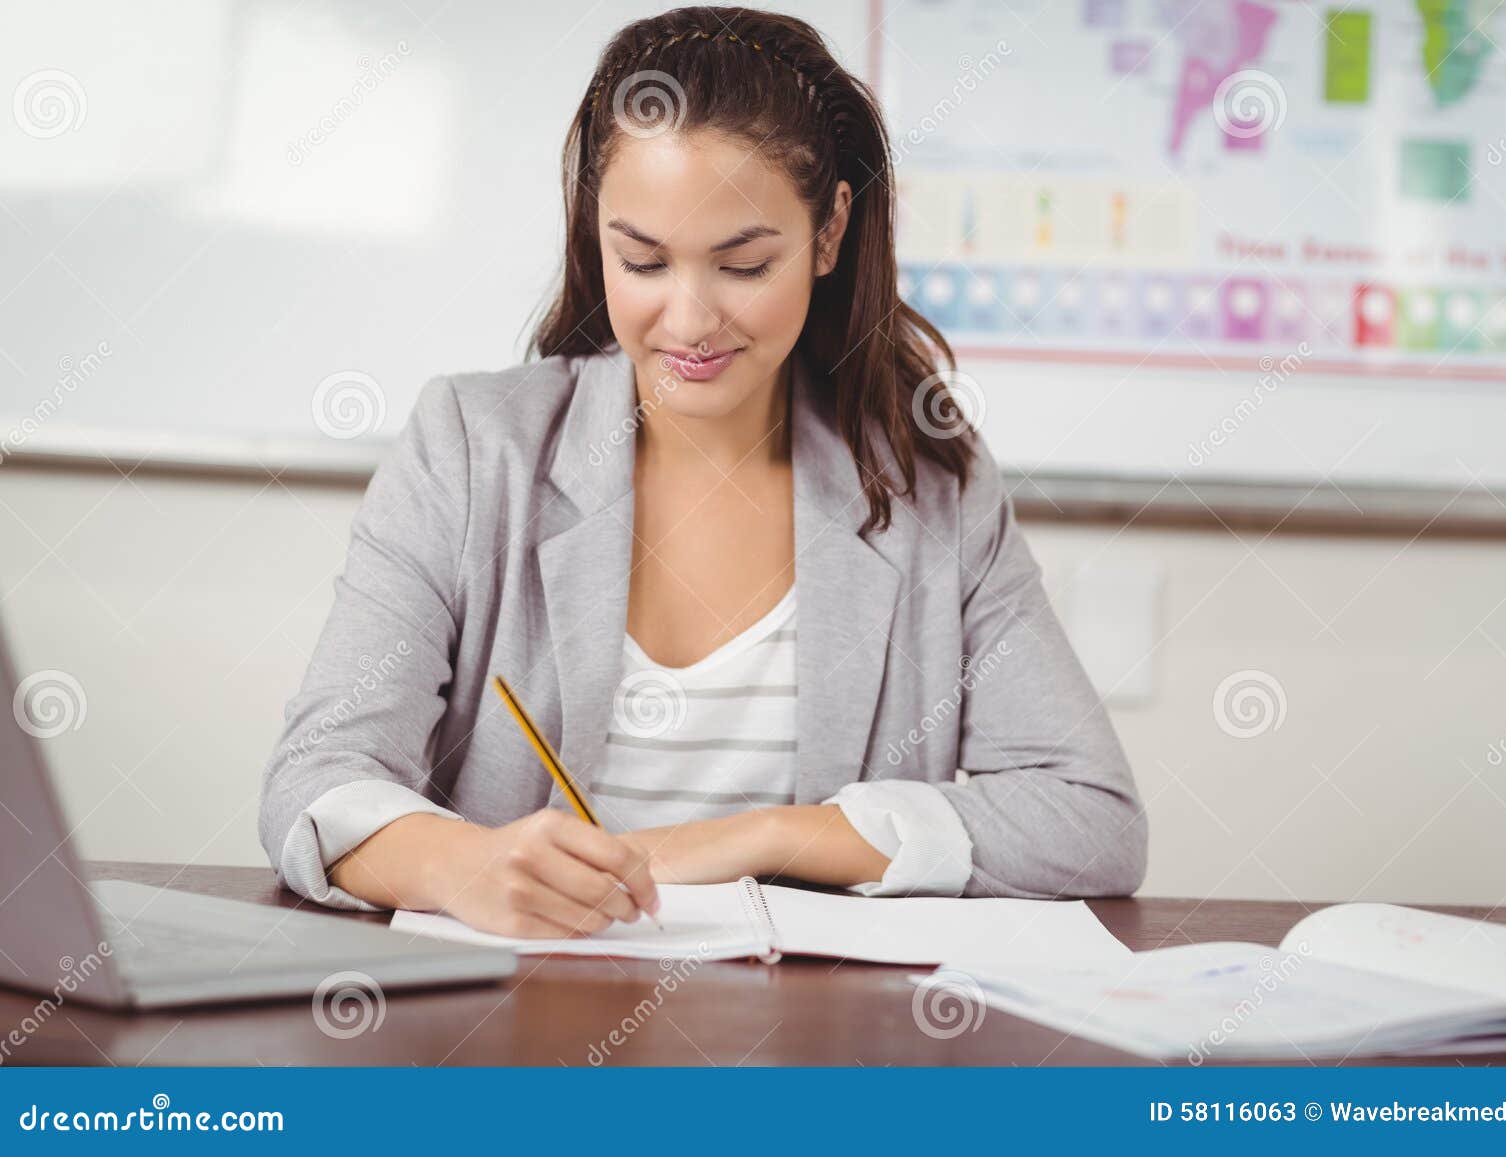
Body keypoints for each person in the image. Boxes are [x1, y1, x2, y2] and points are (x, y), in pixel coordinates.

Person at [257, 6, 1146, 939]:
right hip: (516, 1010)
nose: (688, 321)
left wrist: (770, 836)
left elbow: (1092, 819)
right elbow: (314, 778)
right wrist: (461, 864)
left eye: (744, 265)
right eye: (642, 260)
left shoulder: (929, 486)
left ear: (830, 232)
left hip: (802, 1021)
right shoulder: (472, 449)